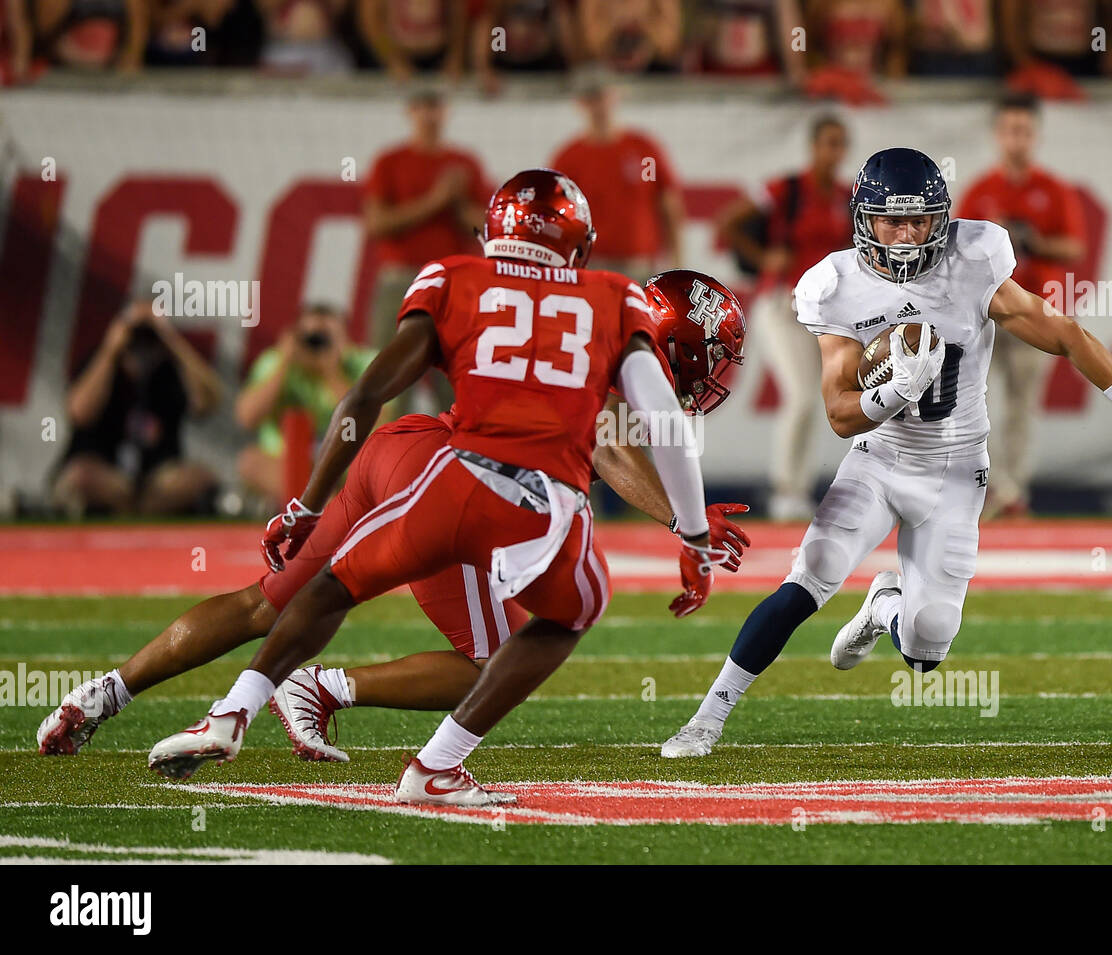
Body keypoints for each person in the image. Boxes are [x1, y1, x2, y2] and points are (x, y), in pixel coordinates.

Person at [147, 170, 731, 806]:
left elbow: (366, 392)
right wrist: (693, 532)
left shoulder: (456, 277)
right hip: (534, 502)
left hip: (444, 475)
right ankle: (434, 763)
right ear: (582, 247)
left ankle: (231, 713)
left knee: (331, 585)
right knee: (573, 610)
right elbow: (656, 427)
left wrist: (306, 502)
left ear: (492, 234)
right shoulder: (613, 299)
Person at [37, 268, 750, 763]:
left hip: (395, 447)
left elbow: (369, 390)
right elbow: (604, 445)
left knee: (265, 604)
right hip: (454, 475)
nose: (709, 372)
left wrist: (305, 502)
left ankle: (104, 692)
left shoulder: (523, 298)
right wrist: (682, 523)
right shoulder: (608, 330)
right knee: (491, 661)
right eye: (709, 355)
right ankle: (325, 691)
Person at [661, 147, 1112, 758]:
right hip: (878, 458)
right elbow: (836, 411)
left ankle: (885, 606)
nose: (908, 235)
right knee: (813, 571)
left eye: (920, 220)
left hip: (960, 468)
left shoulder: (974, 260)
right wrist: (891, 394)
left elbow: (1066, 334)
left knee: (927, 645)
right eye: (892, 221)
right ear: (864, 221)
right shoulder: (836, 286)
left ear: (942, 218)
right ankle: (707, 717)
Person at [956, 92, 1086, 518]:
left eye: (1025, 131)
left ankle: (1012, 492)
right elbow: (954, 251)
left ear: (1036, 136)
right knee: (979, 404)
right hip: (989, 313)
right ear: (999, 134)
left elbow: (1074, 246)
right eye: (1011, 130)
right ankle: (993, 487)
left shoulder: (1052, 190)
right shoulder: (981, 191)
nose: (1017, 139)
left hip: (1036, 309)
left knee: (1022, 406)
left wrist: (1035, 241)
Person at [716, 114, 850, 521]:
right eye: (828, 143)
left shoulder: (847, 198)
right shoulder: (787, 189)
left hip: (826, 311)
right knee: (802, 396)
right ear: (813, 146)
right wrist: (762, 258)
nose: (834, 152)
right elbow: (727, 223)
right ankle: (786, 487)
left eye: (840, 144)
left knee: (820, 399)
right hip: (783, 304)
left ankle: (799, 486)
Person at [364, 91, 489, 409]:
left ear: (446, 111)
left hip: (456, 282)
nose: (431, 115)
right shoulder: (390, 162)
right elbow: (377, 223)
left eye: (437, 105)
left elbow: (487, 226)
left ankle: (456, 455)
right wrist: (435, 201)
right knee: (390, 382)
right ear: (411, 111)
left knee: (461, 385)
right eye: (424, 106)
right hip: (403, 280)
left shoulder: (465, 163)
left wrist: (456, 201)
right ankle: (386, 455)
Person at [53, 300, 221, 517]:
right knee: (80, 476)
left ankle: (138, 509)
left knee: (199, 478)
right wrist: (110, 350)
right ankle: (127, 507)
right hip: (103, 469)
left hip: (156, 479)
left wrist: (170, 338)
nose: (140, 346)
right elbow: (78, 413)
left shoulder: (169, 371)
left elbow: (209, 401)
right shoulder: (100, 363)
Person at [235, 303, 378, 507]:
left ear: (344, 338)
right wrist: (284, 363)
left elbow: (375, 422)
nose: (317, 345)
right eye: (311, 338)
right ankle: (323, 507)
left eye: (326, 338)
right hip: (286, 463)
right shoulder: (277, 361)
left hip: (344, 464)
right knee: (250, 462)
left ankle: (316, 508)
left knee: (375, 464)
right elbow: (246, 418)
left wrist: (331, 373)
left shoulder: (363, 363)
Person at [549, 81, 684, 280]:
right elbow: (557, 214)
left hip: (639, 263)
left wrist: (676, 259)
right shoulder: (569, 158)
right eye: (590, 100)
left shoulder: (643, 151)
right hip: (591, 264)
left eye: (601, 97)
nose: (598, 106)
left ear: (614, 96)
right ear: (579, 104)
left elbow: (667, 204)